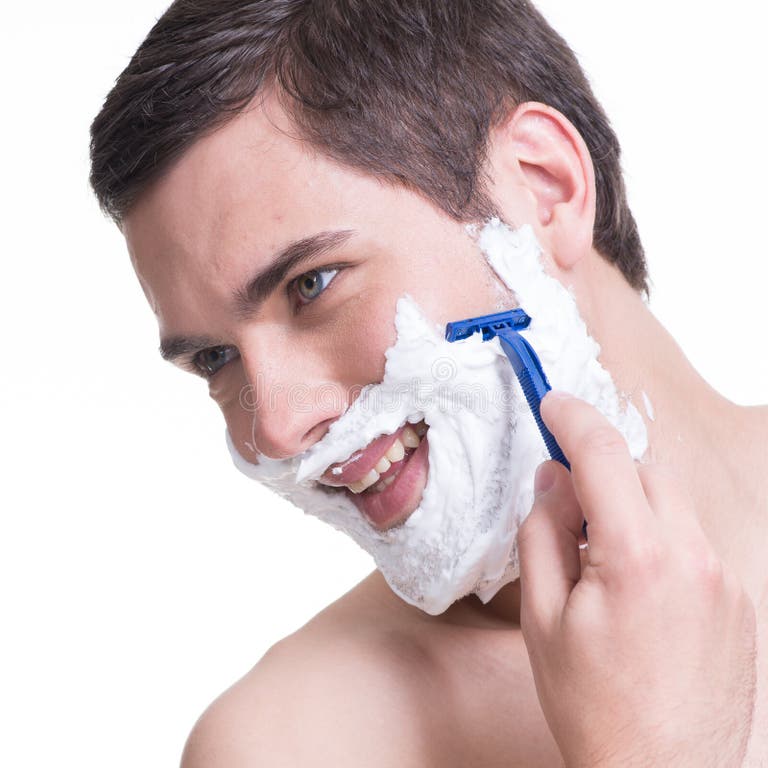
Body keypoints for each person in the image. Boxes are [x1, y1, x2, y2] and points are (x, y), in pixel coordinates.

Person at [90, 1, 767, 765]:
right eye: (216, 359)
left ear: (541, 188)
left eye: (312, 285)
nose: (272, 426)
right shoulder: (293, 744)